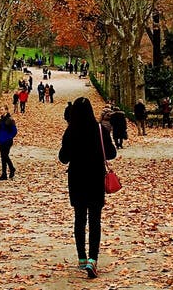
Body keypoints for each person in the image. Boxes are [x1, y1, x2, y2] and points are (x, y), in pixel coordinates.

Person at [59, 97, 117, 279]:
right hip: (95, 178)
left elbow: (63, 158)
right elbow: (112, 153)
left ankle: (82, 257)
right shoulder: (99, 130)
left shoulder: (70, 132)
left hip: (77, 179)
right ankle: (93, 258)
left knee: (79, 218)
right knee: (94, 220)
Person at [0, 108, 17, 180]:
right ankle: (4, 173)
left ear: (6, 110)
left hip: (7, 141)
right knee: (3, 157)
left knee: (5, 155)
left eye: (2, 109)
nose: (1, 111)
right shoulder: (0, 121)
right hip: (1, 140)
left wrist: (9, 137)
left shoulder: (10, 120)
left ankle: (11, 168)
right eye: (0, 110)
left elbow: (14, 131)